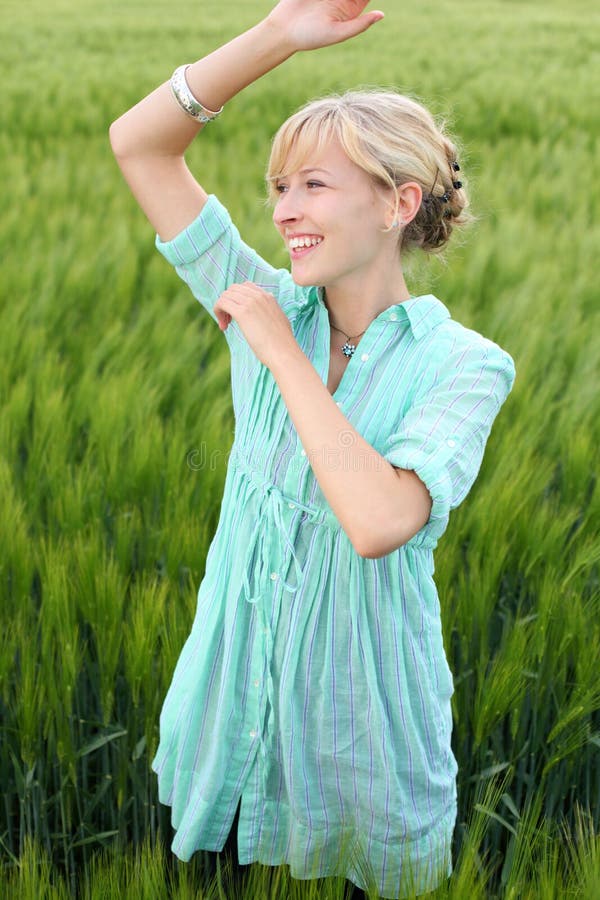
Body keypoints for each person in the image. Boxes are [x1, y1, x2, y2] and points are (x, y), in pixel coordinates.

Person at [109, 1, 515, 896]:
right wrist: (277, 38)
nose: (285, 211)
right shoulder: (265, 303)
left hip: (357, 751)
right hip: (228, 725)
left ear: (398, 204)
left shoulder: (465, 366)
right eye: (280, 188)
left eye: (314, 187)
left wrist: (283, 355)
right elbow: (139, 146)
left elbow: (377, 522)